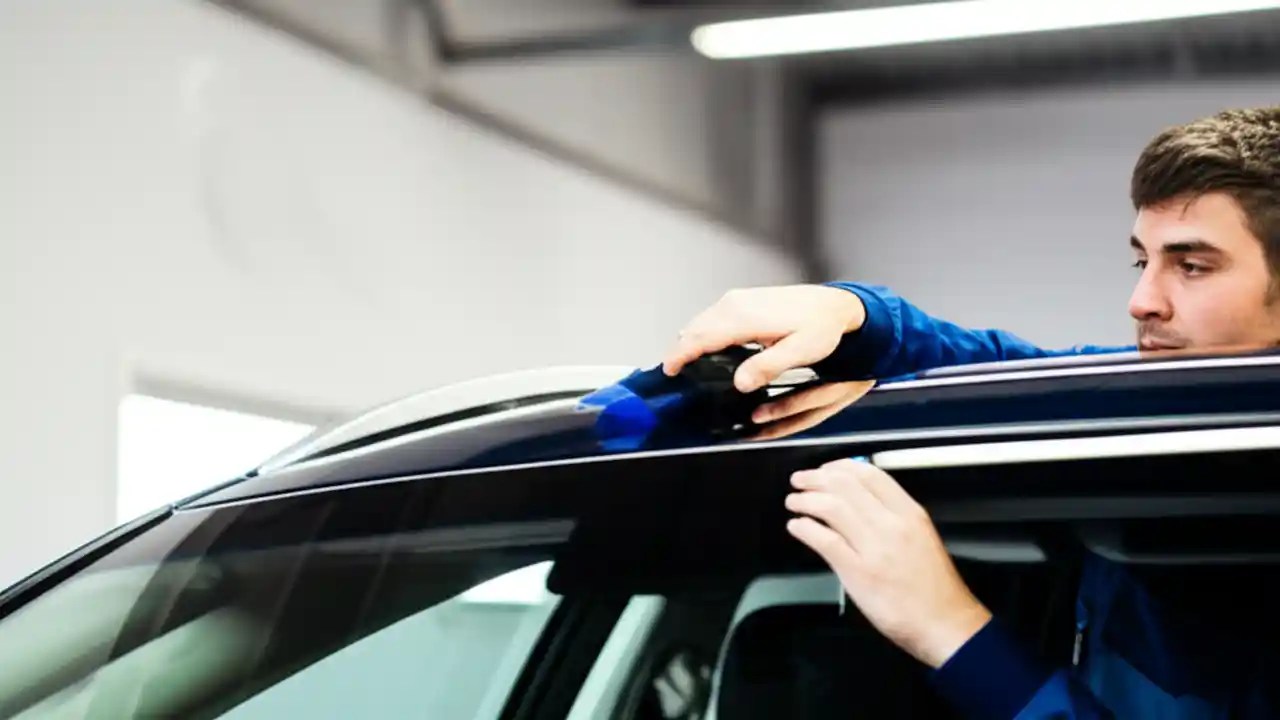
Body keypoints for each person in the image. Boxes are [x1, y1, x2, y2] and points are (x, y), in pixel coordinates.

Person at [663, 107, 1280, 718]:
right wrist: (856, 316)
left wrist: (949, 629)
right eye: (1142, 262)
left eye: (1192, 266)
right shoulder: (1141, 412)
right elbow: (1018, 376)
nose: (1142, 302)